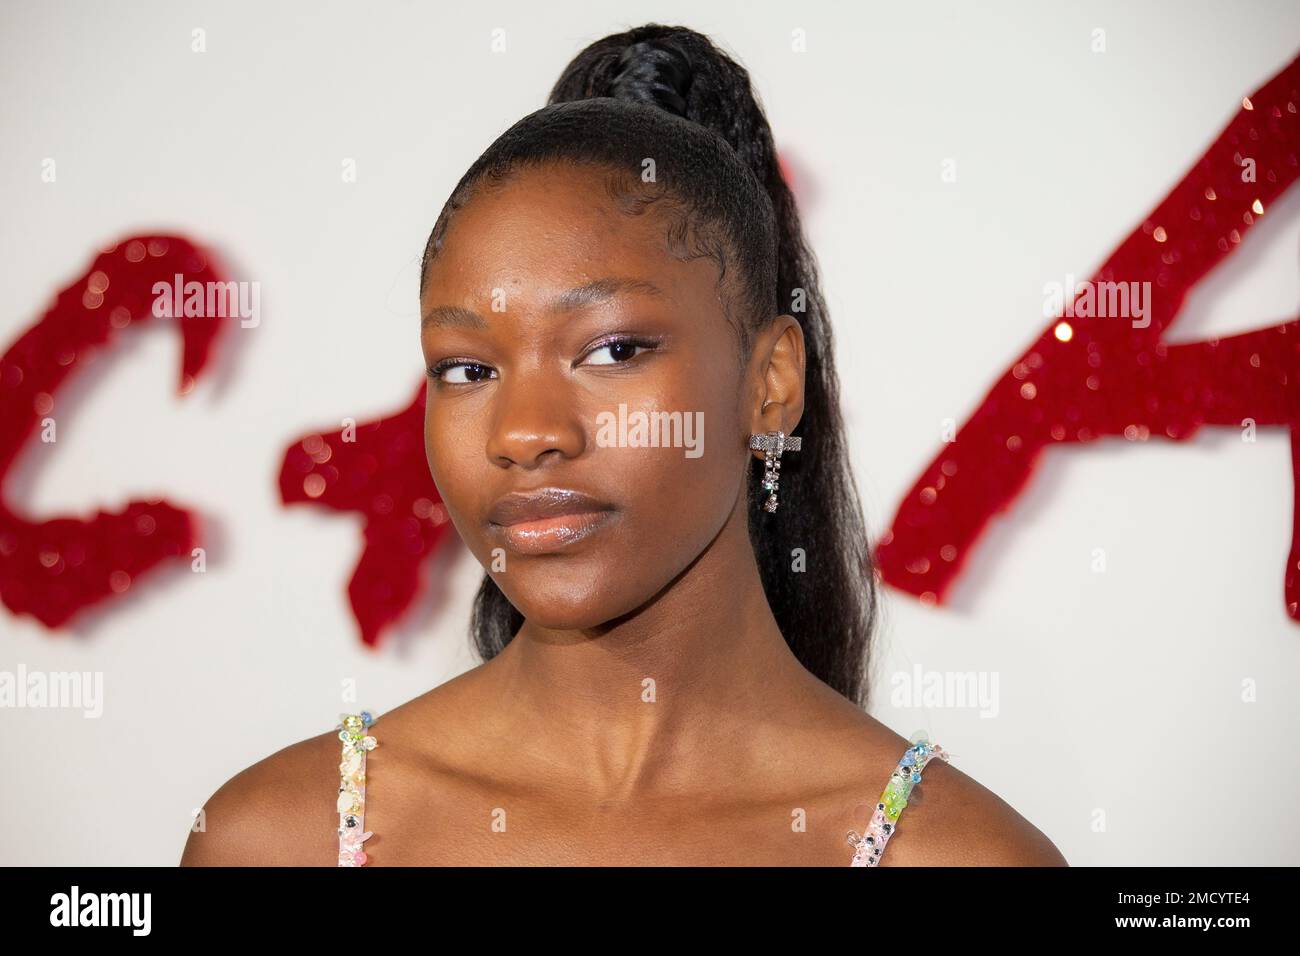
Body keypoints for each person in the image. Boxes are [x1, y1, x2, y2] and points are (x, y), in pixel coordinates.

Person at [181, 23, 1066, 867]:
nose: (524, 433)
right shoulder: (274, 837)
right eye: (464, 368)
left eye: (612, 350)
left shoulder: (961, 855)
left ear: (771, 384)